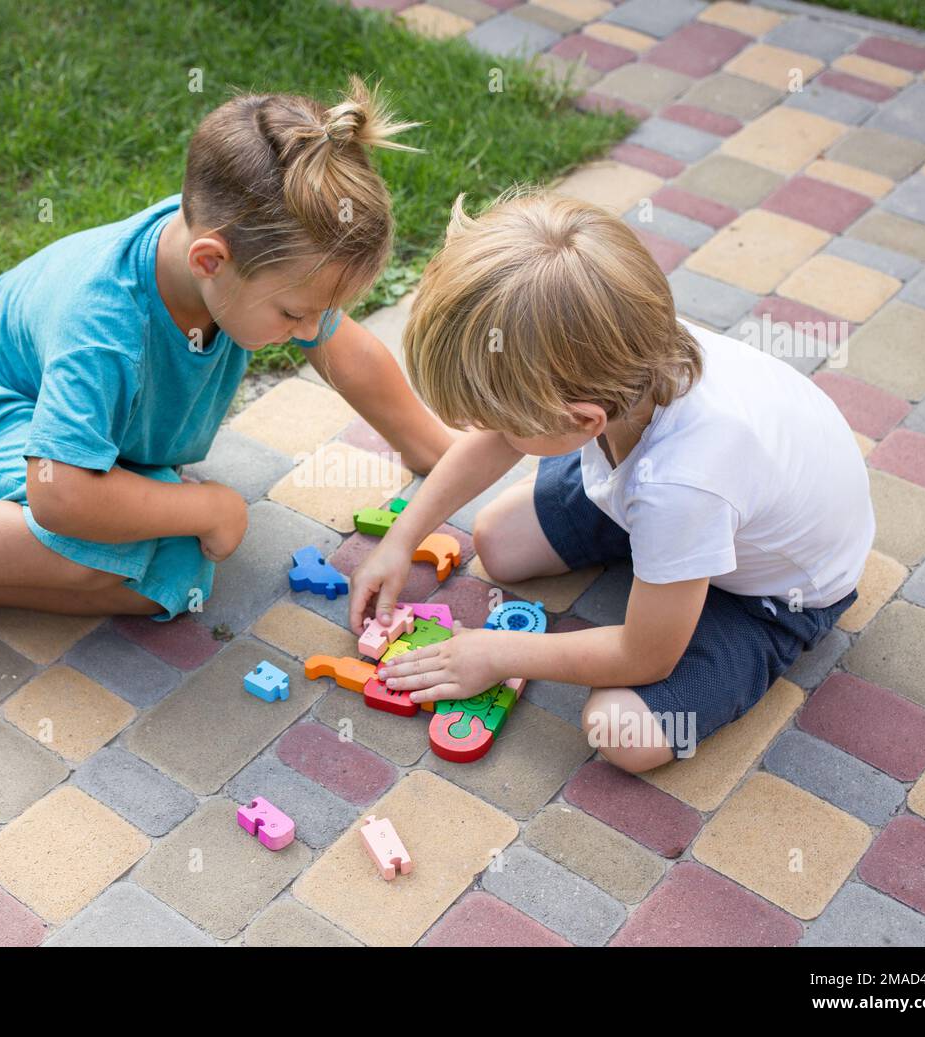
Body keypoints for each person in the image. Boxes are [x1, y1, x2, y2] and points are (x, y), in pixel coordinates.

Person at [0, 76, 453, 701]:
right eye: (293, 317)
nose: (310, 330)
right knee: (168, 557)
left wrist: (439, 451)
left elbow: (348, 353)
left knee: (169, 566)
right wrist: (210, 509)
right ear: (210, 262)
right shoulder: (104, 324)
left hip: (67, 447)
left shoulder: (246, 256)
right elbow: (60, 493)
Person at [349, 185, 873, 773]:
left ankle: (676, 571)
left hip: (774, 595)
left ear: (581, 421)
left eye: (498, 420)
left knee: (620, 730)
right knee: (499, 539)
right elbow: (503, 437)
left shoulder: (684, 485)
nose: (486, 431)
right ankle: (652, 550)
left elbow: (643, 655)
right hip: (670, 487)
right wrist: (403, 539)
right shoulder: (619, 337)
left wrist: (494, 652)